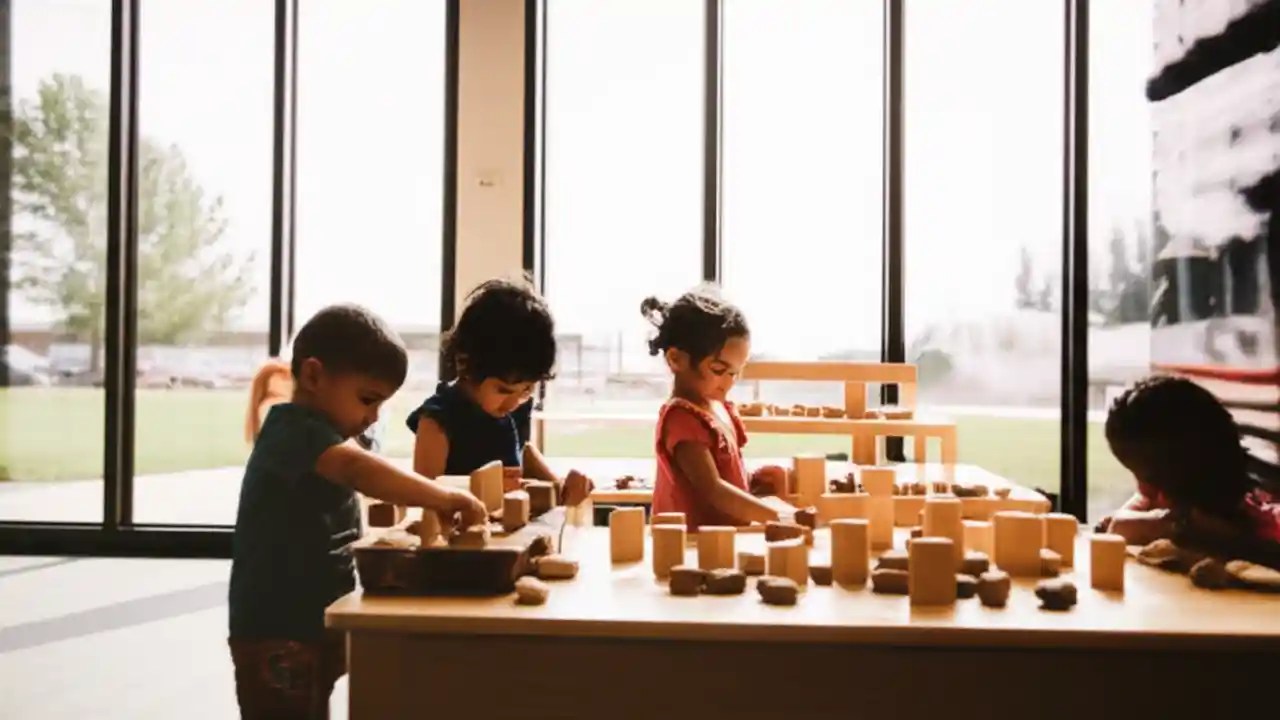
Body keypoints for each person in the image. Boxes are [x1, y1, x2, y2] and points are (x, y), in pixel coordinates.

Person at [228, 304, 487, 720]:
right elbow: (358, 469)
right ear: (313, 376)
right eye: (367, 400)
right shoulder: (293, 431)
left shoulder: (323, 435)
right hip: (277, 628)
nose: (372, 416)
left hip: (315, 616)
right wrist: (440, 497)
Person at [408, 277, 593, 505]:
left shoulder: (511, 410)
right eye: (503, 390)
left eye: (526, 390)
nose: (513, 403)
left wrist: (563, 487)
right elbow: (424, 495)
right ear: (466, 364)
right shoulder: (438, 419)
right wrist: (486, 487)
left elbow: (525, 456)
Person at [642, 284, 794, 529]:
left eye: (735, 373)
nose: (729, 382)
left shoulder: (719, 409)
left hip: (725, 540)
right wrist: (779, 516)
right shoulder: (682, 417)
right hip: (691, 547)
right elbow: (713, 489)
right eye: (719, 370)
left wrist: (753, 481)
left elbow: (725, 476)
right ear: (676, 359)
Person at [1098, 374, 1280, 548]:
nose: (1141, 490)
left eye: (1142, 477)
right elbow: (1116, 524)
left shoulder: (1259, 537)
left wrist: (1168, 524)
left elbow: (1119, 527)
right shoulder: (1237, 505)